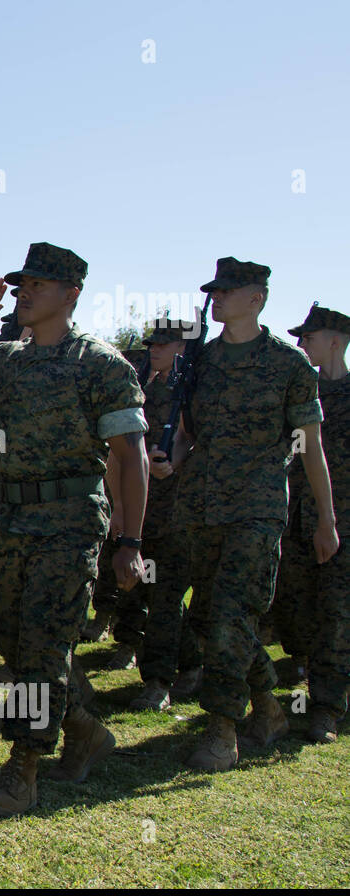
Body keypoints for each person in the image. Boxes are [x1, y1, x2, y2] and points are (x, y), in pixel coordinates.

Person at [0, 242, 149, 816]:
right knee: (16, 642)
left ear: (71, 294)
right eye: (20, 284)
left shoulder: (101, 364)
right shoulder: (2, 359)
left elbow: (132, 457)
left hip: (70, 525)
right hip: (9, 521)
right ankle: (84, 729)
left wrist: (130, 543)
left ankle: (23, 768)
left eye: (38, 285)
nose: (24, 293)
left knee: (46, 648)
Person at [171, 259, 337, 771]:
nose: (216, 299)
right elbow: (185, 433)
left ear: (256, 298)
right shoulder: (202, 362)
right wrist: (168, 461)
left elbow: (309, 445)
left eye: (227, 291)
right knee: (207, 616)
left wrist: (326, 519)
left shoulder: (288, 365)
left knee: (230, 617)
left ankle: (222, 730)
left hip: (257, 509)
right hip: (201, 506)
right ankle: (268, 702)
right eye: (213, 291)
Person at [269, 304, 350, 742]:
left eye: (310, 338)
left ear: (335, 341)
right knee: (299, 608)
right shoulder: (301, 391)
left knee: (336, 614)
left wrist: (330, 519)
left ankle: (327, 708)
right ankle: (311, 680)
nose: (302, 345)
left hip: (343, 522)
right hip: (295, 518)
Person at [124, 320, 204, 710]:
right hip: (146, 513)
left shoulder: (192, 392)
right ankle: (192, 662)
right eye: (151, 342)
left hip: (180, 511)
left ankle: (157, 681)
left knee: (166, 597)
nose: (153, 348)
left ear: (183, 348)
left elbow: (196, 441)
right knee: (156, 592)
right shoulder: (142, 386)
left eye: (164, 342)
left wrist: (175, 460)